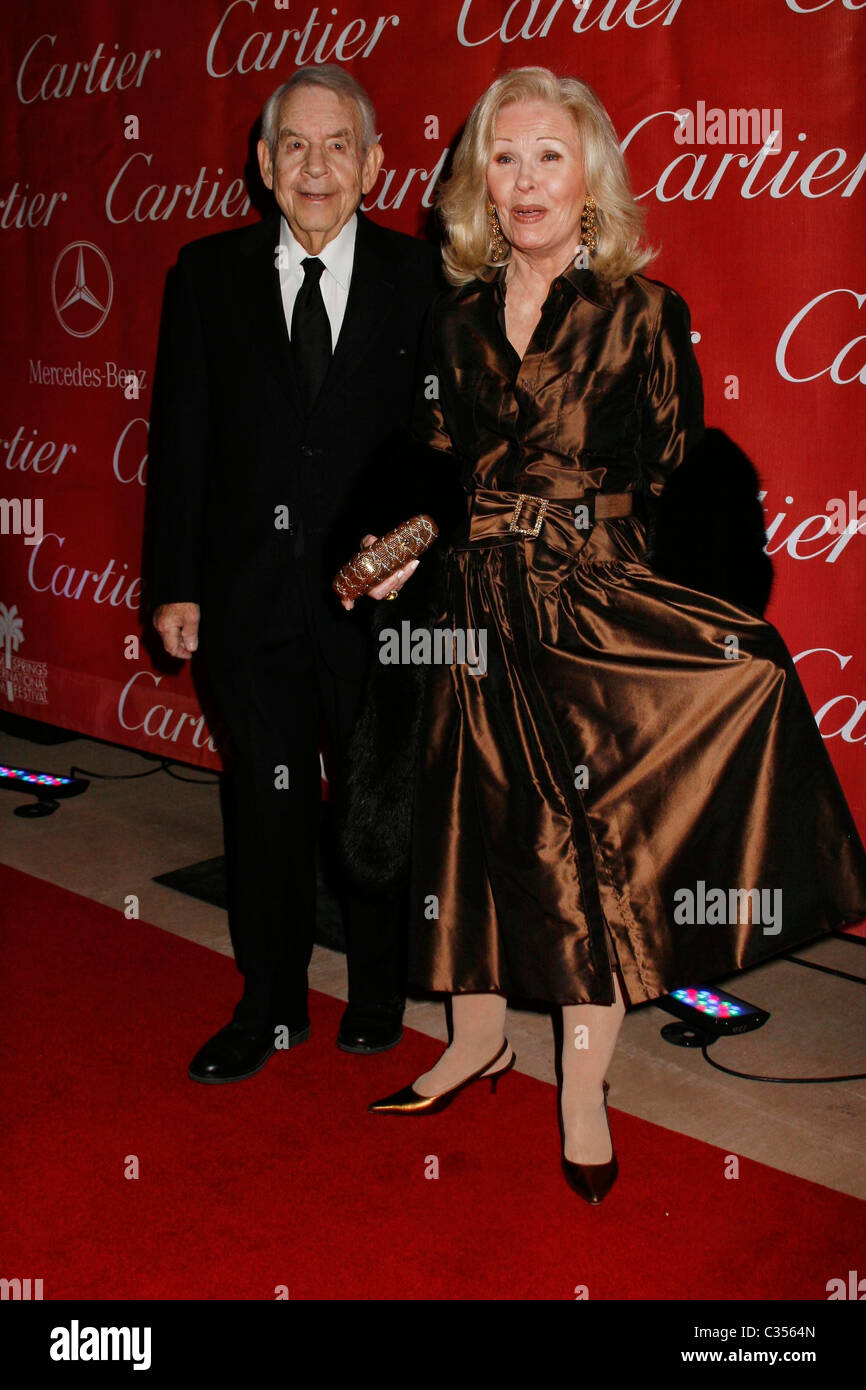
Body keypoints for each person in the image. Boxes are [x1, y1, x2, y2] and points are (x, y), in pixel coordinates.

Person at [348, 67, 866, 1202]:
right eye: (503, 154)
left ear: (589, 181)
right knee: (467, 832)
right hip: (471, 609)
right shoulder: (453, 313)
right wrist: (395, 550)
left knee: (589, 853)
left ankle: (582, 1083)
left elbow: (681, 476)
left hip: (591, 600)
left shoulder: (642, 310)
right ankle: (474, 1038)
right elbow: (431, 464)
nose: (524, 179)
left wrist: (707, 613)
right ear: (477, 177)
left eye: (548, 155)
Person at [147, 65, 441, 1083]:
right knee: (263, 803)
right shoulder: (206, 273)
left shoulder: (424, 280)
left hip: (379, 603)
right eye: (295, 147)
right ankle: (267, 1001)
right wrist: (174, 583)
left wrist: (397, 558)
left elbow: (441, 451)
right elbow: (179, 443)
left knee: (373, 805)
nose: (316, 167)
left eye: (338, 146)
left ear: (372, 164)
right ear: (263, 165)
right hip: (243, 601)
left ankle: (375, 991)